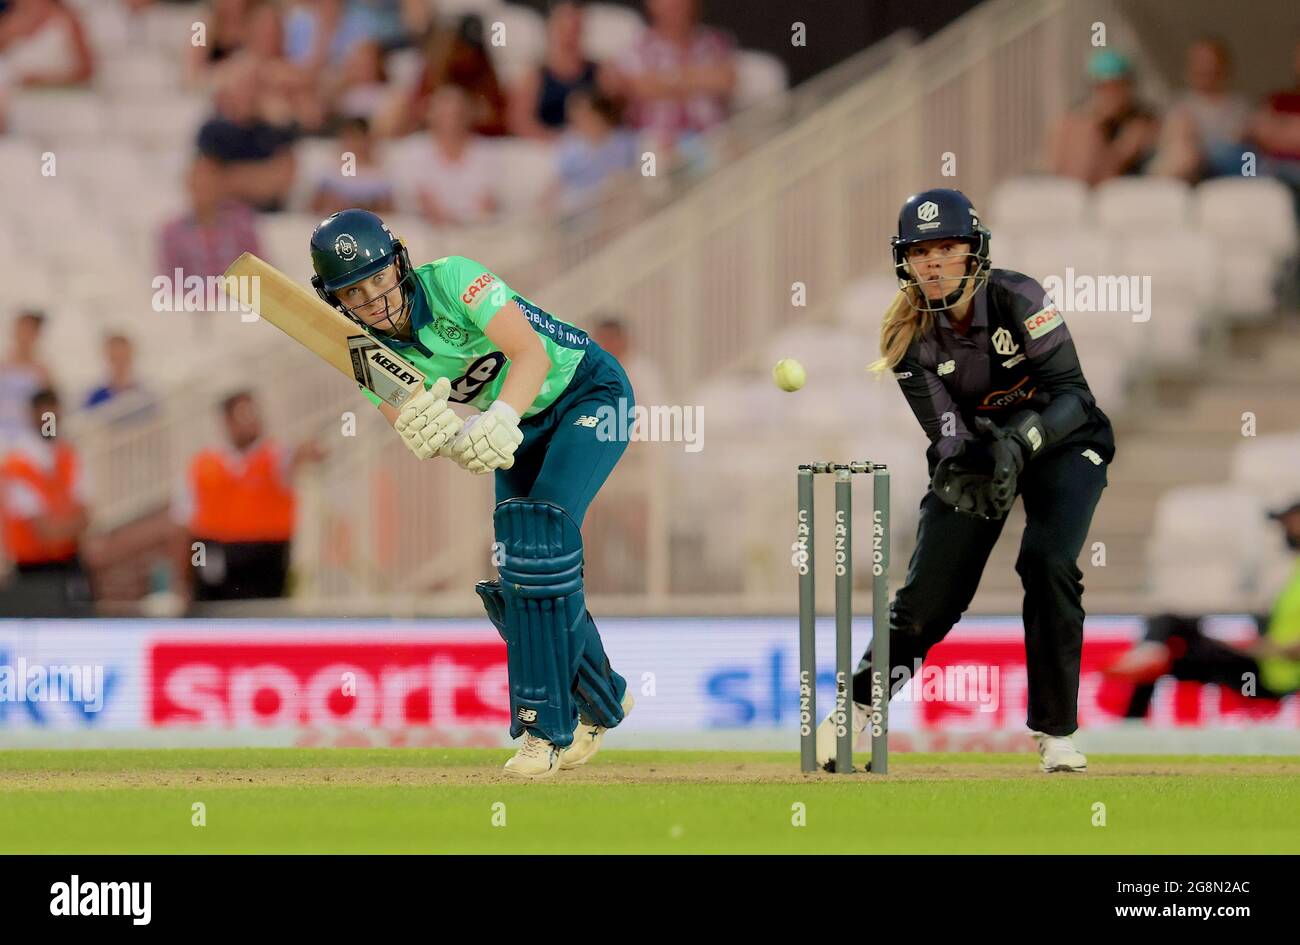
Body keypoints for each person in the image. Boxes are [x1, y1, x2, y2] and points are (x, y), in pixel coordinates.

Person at [308, 208, 636, 778]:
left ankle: (542, 733)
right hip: (517, 427)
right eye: (354, 294)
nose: (374, 301)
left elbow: (529, 354)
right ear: (336, 302)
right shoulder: (365, 354)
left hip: (586, 392)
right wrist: (455, 442)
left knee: (543, 540)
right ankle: (604, 698)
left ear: (400, 263)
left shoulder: (457, 279)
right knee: (519, 566)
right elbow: (414, 422)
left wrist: (500, 417)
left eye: (380, 278)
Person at [813, 189, 1116, 774]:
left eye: (946, 248)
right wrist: (974, 461)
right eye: (920, 251)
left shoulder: (1019, 295)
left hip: (1063, 442)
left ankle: (1055, 733)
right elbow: (947, 434)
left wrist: (1021, 442)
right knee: (930, 600)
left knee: (1047, 561)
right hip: (979, 452)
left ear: (974, 252)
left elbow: (1076, 397)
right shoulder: (908, 340)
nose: (932, 263)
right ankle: (857, 707)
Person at [1107, 499, 1300, 714]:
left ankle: (1148, 654)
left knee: (1171, 627)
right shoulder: (1293, 571)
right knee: (1169, 650)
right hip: (1261, 663)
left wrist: (1255, 647)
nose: (1283, 529)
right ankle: (1146, 667)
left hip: (1269, 678)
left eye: (1289, 521)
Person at [170, 390, 325, 603]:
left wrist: (310, 451)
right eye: (243, 414)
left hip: (266, 555)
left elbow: (296, 458)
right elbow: (184, 523)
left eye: (254, 412)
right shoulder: (201, 464)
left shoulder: (274, 456)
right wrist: (182, 579)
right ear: (227, 420)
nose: (252, 420)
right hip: (213, 551)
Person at [0, 387, 93, 616]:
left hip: (69, 564)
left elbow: (86, 514)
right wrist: (68, 527)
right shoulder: (18, 464)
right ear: (33, 415)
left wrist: (62, 528)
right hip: (34, 571)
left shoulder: (67, 456)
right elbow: (44, 532)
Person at [1047, 49, 1160, 186]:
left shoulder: (1141, 123)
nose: (1111, 95)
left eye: (1117, 87)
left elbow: (1110, 171)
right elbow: (1058, 166)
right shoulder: (1074, 123)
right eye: (1104, 88)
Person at [1153, 37, 1251, 183]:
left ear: (1222, 66)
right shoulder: (1179, 104)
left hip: (1222, 171)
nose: (1203, 68)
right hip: (1183, 170)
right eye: (1198, 61)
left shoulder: (1239, 107)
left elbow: (1241, 149)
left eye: (1209, 62)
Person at [508, 0, 600, 140]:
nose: (569, 36)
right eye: (564, 28)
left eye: (575, 28)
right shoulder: (533, 77)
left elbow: (611, 118)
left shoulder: (600, 73)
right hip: (547, 151)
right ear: (551, 29)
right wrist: (557, 143)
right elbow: (520, 121)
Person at [0, 309, 51, 442]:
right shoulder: (3, 366)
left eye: (30, 331)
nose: (24, 336)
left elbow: (48, 409)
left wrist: (49, 438)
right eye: (22, 329)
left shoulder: (42, 372)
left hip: (28, 436)